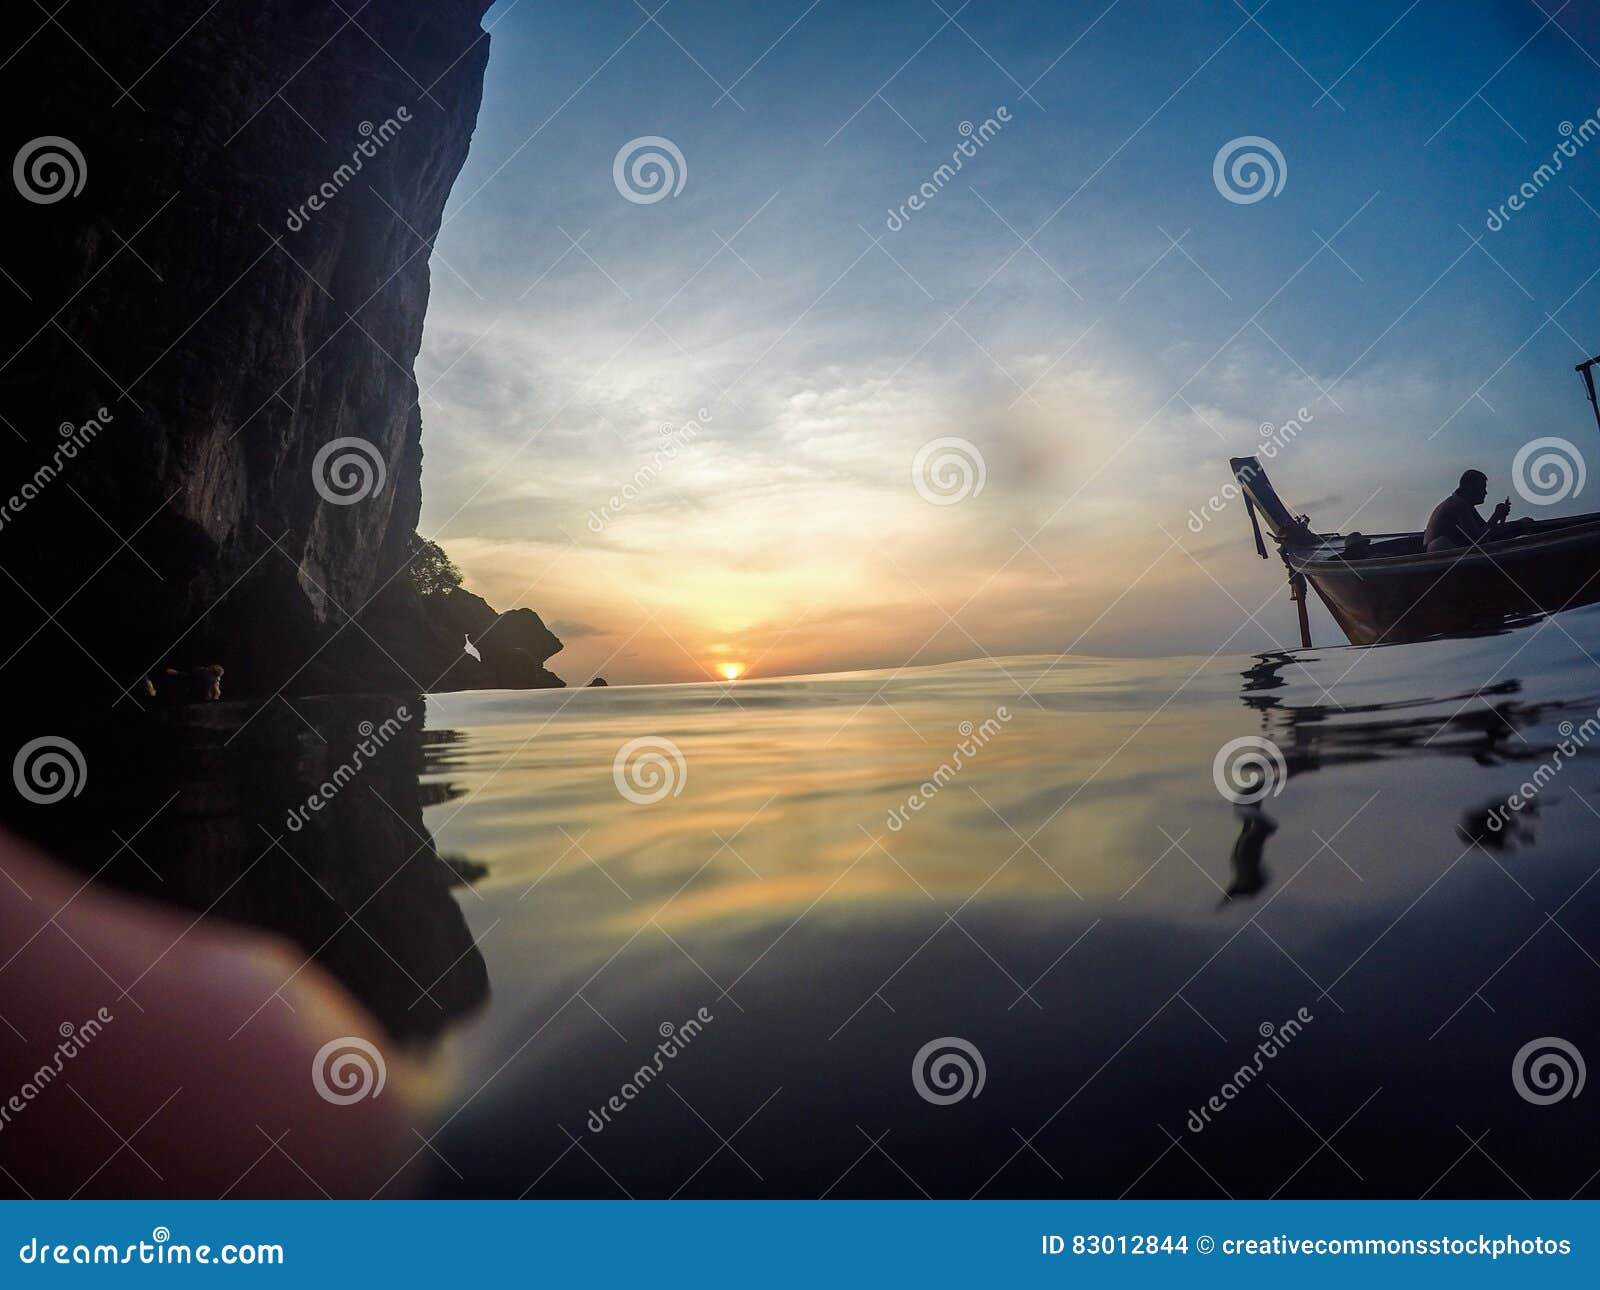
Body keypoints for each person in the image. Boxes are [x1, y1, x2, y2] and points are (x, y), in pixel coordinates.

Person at [1423, 470, 1532, 552]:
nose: (1485, 492)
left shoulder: (1463, 503)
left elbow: (1487, 531)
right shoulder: (1459, 505)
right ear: (1469, 487)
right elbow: (1479, 540)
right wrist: (1496, 515)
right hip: (1444, 559)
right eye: (1482, 487)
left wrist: (1519, 524)